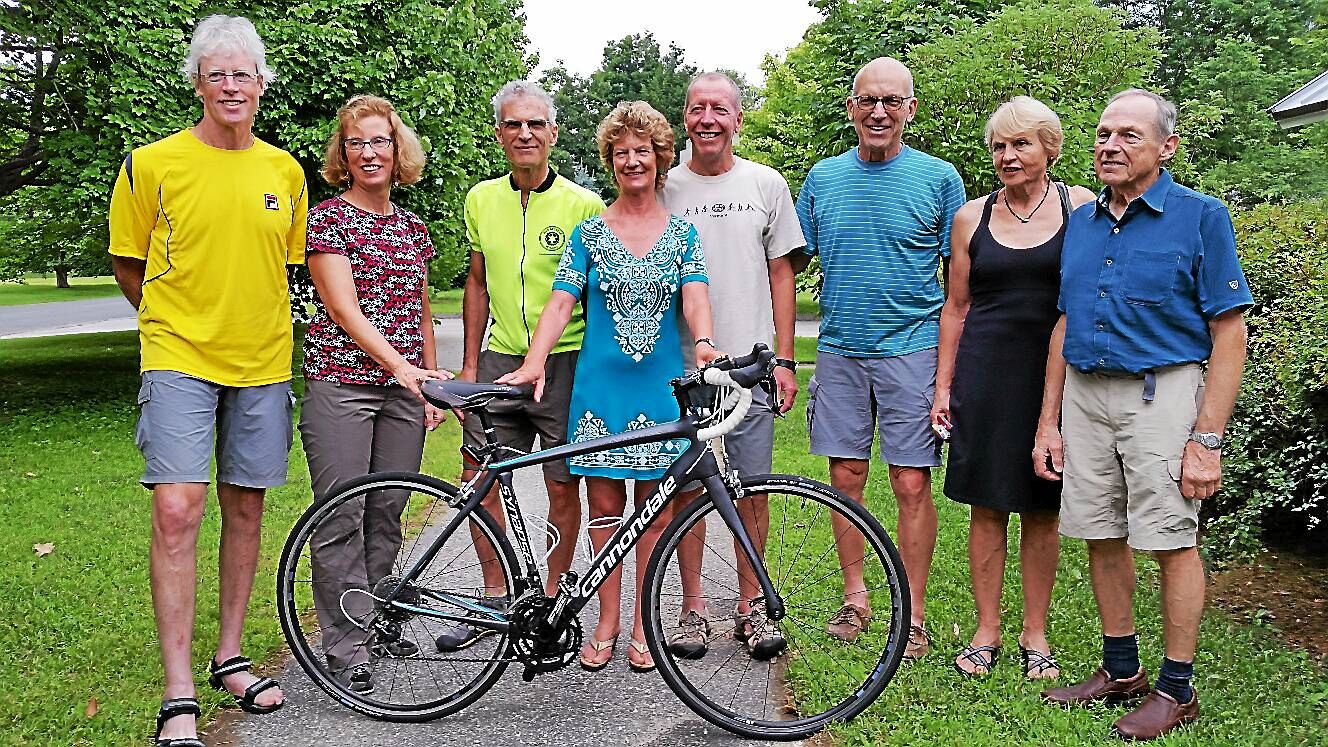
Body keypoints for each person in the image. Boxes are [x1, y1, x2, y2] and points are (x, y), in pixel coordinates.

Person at [107, 15, 305, 746]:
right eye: (217, 73)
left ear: (261, 86)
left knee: (245, 507)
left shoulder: (284, 172)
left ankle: (230, 656)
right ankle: (179, 688)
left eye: (243, 74)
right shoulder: (152, 162)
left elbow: (282, 265)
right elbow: (129, 263)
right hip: (178, 356)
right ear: (197, 82)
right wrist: (170, 323)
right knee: (178, 508)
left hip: (262, 359)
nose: (231, 85)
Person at [1036, 89, 1251, 742]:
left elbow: (1231, 332)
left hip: (1162, 394)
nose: (1110, 145)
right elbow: (1065, 320)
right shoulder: (1082, 221)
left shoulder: (1201, 217)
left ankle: (1176, 688)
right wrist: (1049, 421)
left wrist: (1206, 438)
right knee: (1101, 531)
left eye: (1129, 135)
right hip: (1086, 394)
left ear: (1167, 147)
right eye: (1102, 133)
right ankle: (1121, 668)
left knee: (1170, 539)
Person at [499, 101, 721, 673]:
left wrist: (703, 342)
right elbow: (560, 301)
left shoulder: (681, 235)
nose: (631, 161)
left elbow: (694, 297)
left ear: (659, 158)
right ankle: (605, 621)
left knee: (652, 510)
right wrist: (534, 360)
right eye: (621, 152)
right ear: (611, 161)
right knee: (603, 505)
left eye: (641, 151)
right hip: (599, 391)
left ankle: (646, 622)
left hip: (656, 391)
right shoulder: (590, 233)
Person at [793, 57, 965, 657]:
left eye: (892, 101)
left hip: (911, 350)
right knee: (845, 478)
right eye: (868, 100)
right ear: (851, 108)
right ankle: (856, 595)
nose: (879, 111)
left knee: (912, 481)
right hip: (840, 351)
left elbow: (960, 285)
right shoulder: (821, 181)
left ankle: (912, 612)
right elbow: (788, 265)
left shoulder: (940, 180)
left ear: (910, 110)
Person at [433, 80, 604, 653]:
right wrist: (469, 364)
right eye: (513, 124)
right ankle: (494, 595)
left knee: (563, 486)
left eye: (535, 124)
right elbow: (476, 281)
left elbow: (594, 292)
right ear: (499, 133)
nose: (524, 133)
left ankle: (553, 596)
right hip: (500, 359)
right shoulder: (481, 198)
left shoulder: (583, 204)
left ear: (553, 133)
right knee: (479, 482)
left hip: (564, 362)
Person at [932, 97, 1095, 678]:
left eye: (1021, 144)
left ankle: (1036, 635)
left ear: (1050, 148)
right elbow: (956, 308)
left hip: (1053, 377)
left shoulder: (1083, 208)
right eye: (999, 145)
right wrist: (943, 386)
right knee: (988, 504)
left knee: (1042, 506)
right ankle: (986, 631)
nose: (1007, 155)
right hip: (985, 371)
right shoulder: (971, 218)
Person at [298, 94, 452, 695]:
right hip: (341, 384)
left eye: (380, 141)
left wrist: (430, 383)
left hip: (402, 392)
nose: (369, 152)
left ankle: (376, 614)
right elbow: (344, 308)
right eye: (356, 142)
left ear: (397, 150)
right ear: (343, 153)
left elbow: (418, 310)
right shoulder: (328, 220)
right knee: (342, 510)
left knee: (388, 507)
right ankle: (342, 640)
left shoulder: (413, 229)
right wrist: (403, 369)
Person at [659, 72, 803, 660]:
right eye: (697, 109)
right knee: (689, 489)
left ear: (738, 119)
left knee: (751, 488)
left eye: (720, 108)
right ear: (685, 119)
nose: (708, 119)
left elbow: (782, 273)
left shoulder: (765, 183)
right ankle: (694, 607)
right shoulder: (664, 186)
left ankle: (750, 606)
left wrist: (786, 360)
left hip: (750, 365)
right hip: (683, 365)